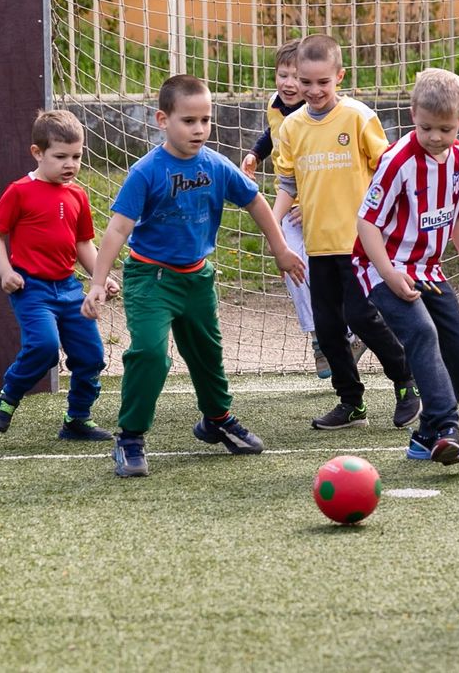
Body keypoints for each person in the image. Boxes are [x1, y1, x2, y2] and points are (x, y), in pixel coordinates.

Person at [81, 75, 306, 477]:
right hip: (151, 279)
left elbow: (254, 200)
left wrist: (281, 248)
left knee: (207, 355)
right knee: (150, 353)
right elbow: (117, 228)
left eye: (206, 120)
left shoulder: (216, 165)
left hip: (198, 278)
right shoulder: (146, 171)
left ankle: (217, 420)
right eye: (189, 120)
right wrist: (98, 280)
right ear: (162, 120)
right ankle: (130, 437)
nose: (199, 129)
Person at [272, 34, 421, 431]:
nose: (314, 90)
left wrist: (394, 222)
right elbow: (287, 185)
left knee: (364, 317)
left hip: (360, 245)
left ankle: (406, 383)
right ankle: (351, 402)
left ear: (340, 76)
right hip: (318, 247)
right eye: (306, 82)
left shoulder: (358, 117)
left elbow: (388, 170)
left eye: (323, 82)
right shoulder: (291, 127)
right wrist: (276, 233)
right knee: (328, 328)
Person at [353, 68, 459, 464]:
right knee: (420, 331)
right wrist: (389, 273)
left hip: (428, 270)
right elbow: (366, 222)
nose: (435, 136)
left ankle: (427, 436)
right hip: (381, 266)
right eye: (427, 127)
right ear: (413, 113)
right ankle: (448, 426)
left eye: (445, 129)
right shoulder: (396, 160)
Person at [0, 109, 117, 441]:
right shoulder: (19, 191)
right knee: (44, 346)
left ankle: (77, 420)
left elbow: (84, 243)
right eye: (60, 156)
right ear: (37, 153)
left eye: (76, 156)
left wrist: (100, 278)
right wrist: (5, 271)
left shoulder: (78, 195)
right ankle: (8, 397)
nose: (69, 164)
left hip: (70, 289)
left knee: (92, 356)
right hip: (32, 289)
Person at [240, 39, 366, 380]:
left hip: (324, 209)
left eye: (300, 77)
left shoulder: (328, 115)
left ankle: (355, 334)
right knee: (293, 266)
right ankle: (320, 339)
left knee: (340, 278)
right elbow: (273, 134)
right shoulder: (279, 107)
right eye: (284, 75)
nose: (291, 84)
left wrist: (308, 204)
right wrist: (256, 152)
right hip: (293, 205)